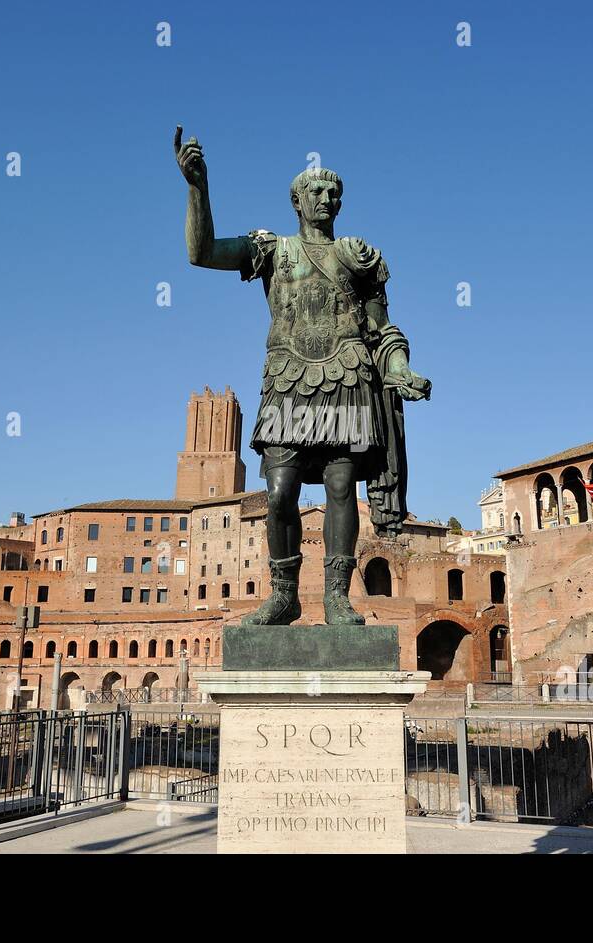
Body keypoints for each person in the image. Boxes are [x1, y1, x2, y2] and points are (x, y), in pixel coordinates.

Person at [174, 127, 431, 626]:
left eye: (334, 192)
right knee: (279, 490)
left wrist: (399, 370)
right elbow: (200, 252)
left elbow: (382, 329)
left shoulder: (358, 256)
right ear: (296, 201)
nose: (327, 198)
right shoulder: (272, 250)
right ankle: (284, 593)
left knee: (340, 488)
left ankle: (337, 595)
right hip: (290, 379)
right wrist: (197, 188)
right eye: (316, 191)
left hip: (347, 377)